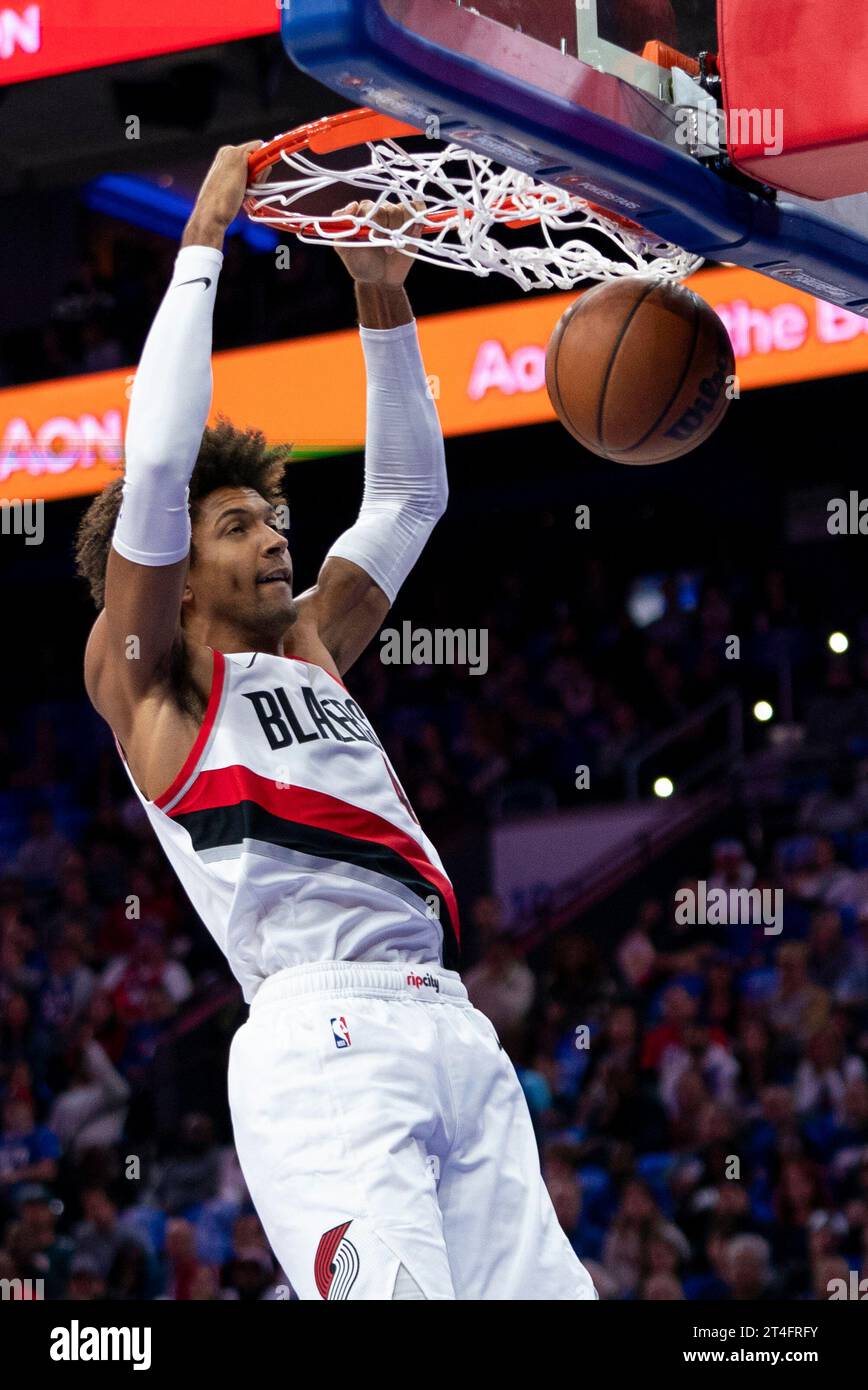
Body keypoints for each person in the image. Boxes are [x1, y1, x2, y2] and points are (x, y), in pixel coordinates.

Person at [76, 143, 596, 1303]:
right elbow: (155, 462)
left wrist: (383, 301)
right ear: (178, 572)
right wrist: (203, 243)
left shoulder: (311, 638)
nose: (273, 537)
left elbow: (411, 499)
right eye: (237, 526)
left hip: (446, 1021)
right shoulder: (147, 680)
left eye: (274, 516)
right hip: (323, 1042)